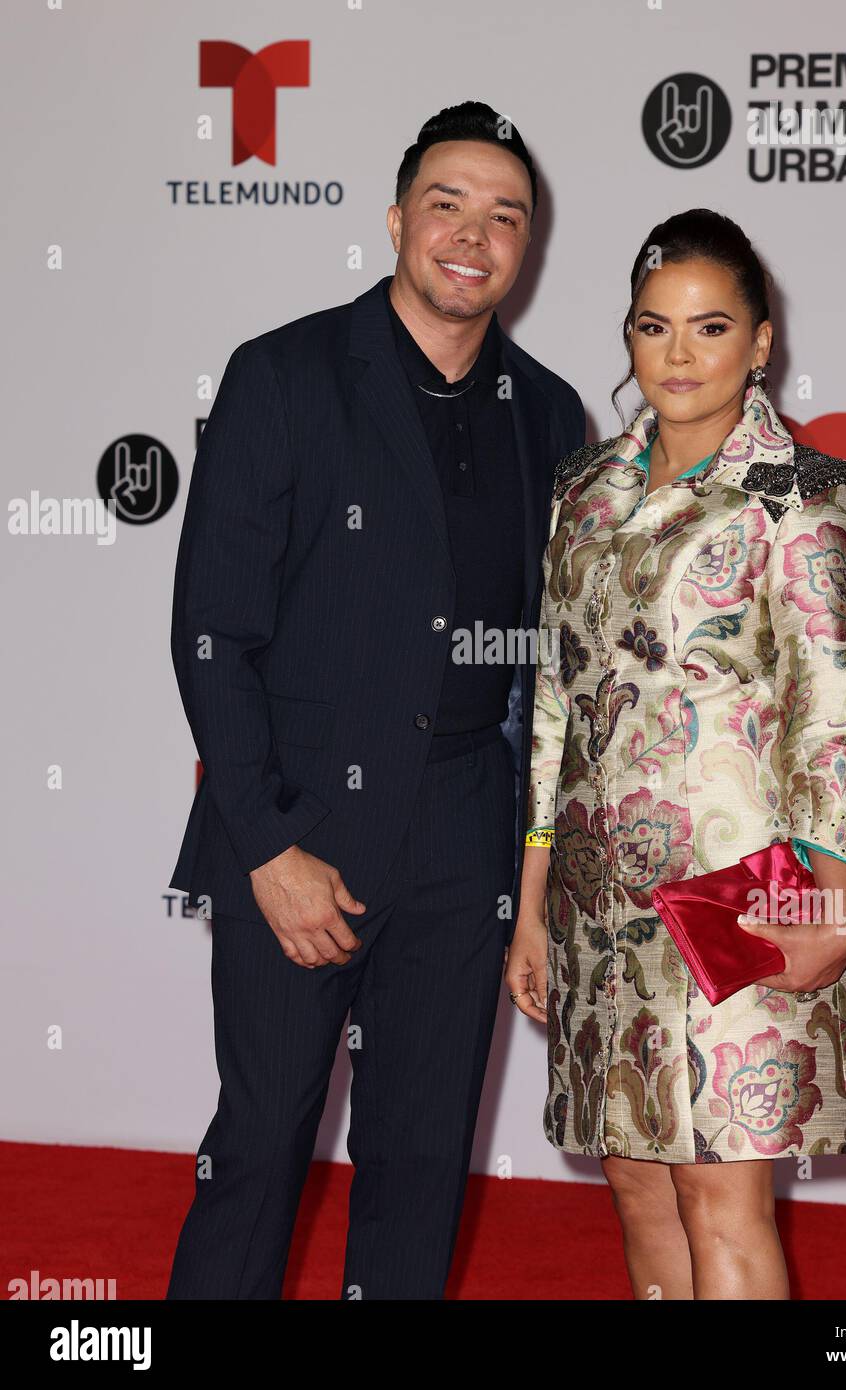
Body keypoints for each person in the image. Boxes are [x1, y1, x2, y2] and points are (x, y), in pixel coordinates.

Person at [165, 101, 585, 1300]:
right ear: (399, 217)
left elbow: (547, 668)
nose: (474, 233)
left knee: (420, 1161)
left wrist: (529, 883)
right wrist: (268, 846)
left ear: (527, 249)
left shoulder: (549, 416)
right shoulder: (284, 375)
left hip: (465, 842)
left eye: (506, 216)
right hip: (299, 824)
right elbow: (210, 636)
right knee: (257, 1149)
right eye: (447, 203)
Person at [506, 209, 846, 1300]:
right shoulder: (581, 495)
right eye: (652, 326)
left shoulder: (810, 499)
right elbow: (554, 712)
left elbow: (835, 716)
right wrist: (532, 903)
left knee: (724, 1191)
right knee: (635, 1177)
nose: (678, 354)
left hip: (741, 889)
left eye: (711, 327)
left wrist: (835, 898)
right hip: (594, 898)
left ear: (761, 341)